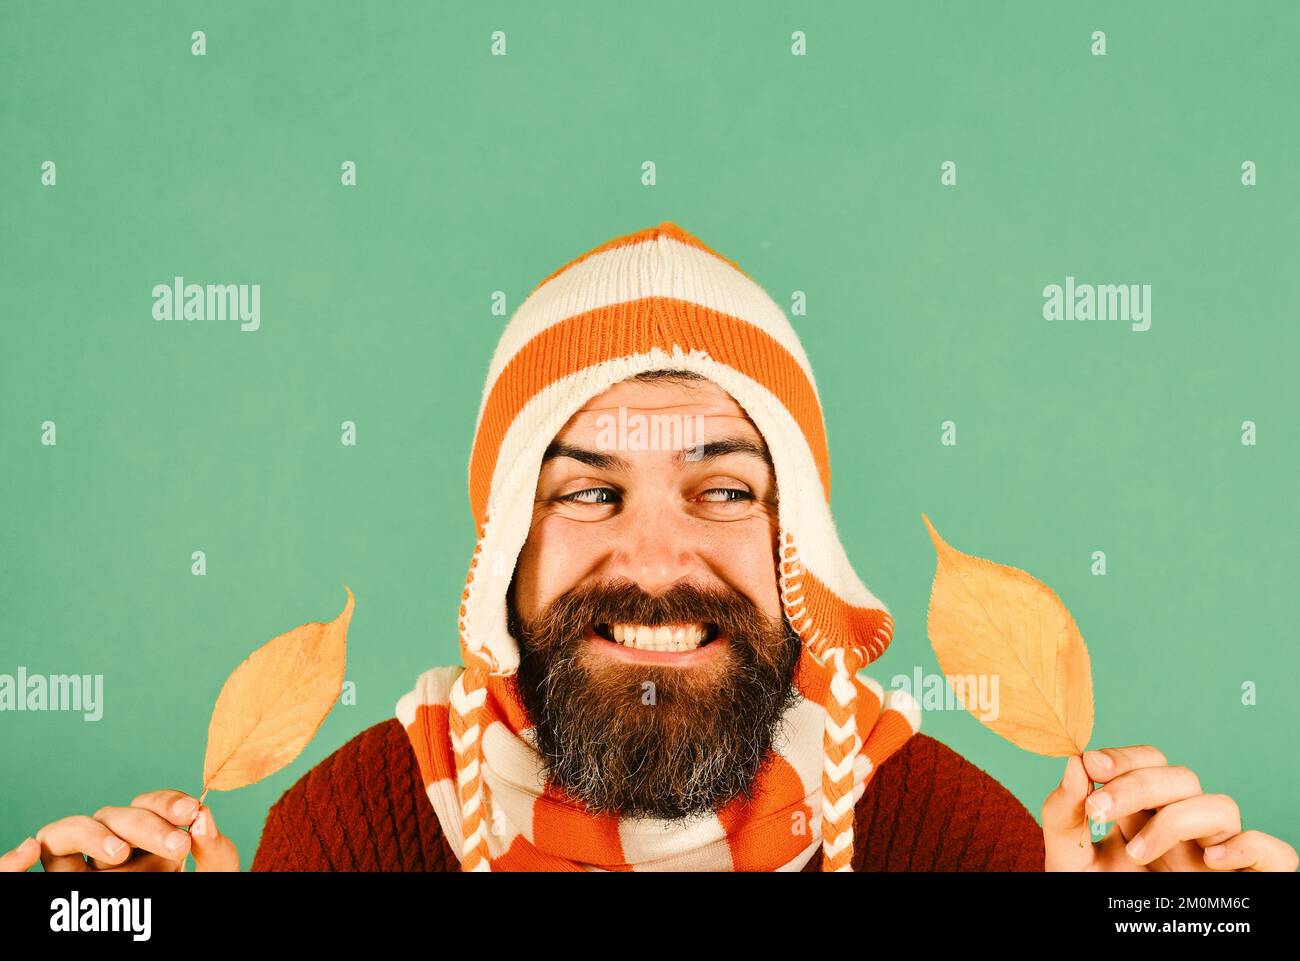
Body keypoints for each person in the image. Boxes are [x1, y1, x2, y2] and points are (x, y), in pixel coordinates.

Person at [4, 223, 1294, 873]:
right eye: (589, 494)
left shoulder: (942, 838)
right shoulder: (358, 830)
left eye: (726, 490)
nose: (658, 560)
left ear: (804, 548)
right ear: (505, 552)